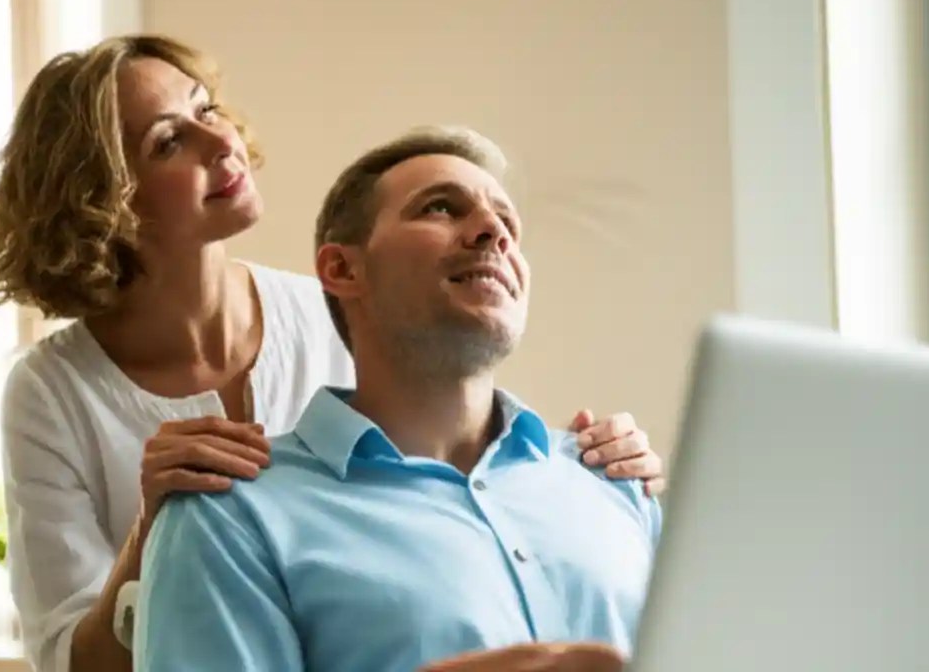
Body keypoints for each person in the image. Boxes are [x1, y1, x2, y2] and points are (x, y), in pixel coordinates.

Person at [0, 34, 666, 672]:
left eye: (208, 109)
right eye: (167, 142)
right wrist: (147, 537)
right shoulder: (54, 393)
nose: (221, 141)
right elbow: (68, 657)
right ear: (101, 200)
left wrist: (594, 476)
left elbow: (454, 426)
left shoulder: (339, 312)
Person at [134, 126, 662, 672]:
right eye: (440, 208)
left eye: (508, 223)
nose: (493, 232)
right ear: (342, 269)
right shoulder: (228, 518)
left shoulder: (618, 488)